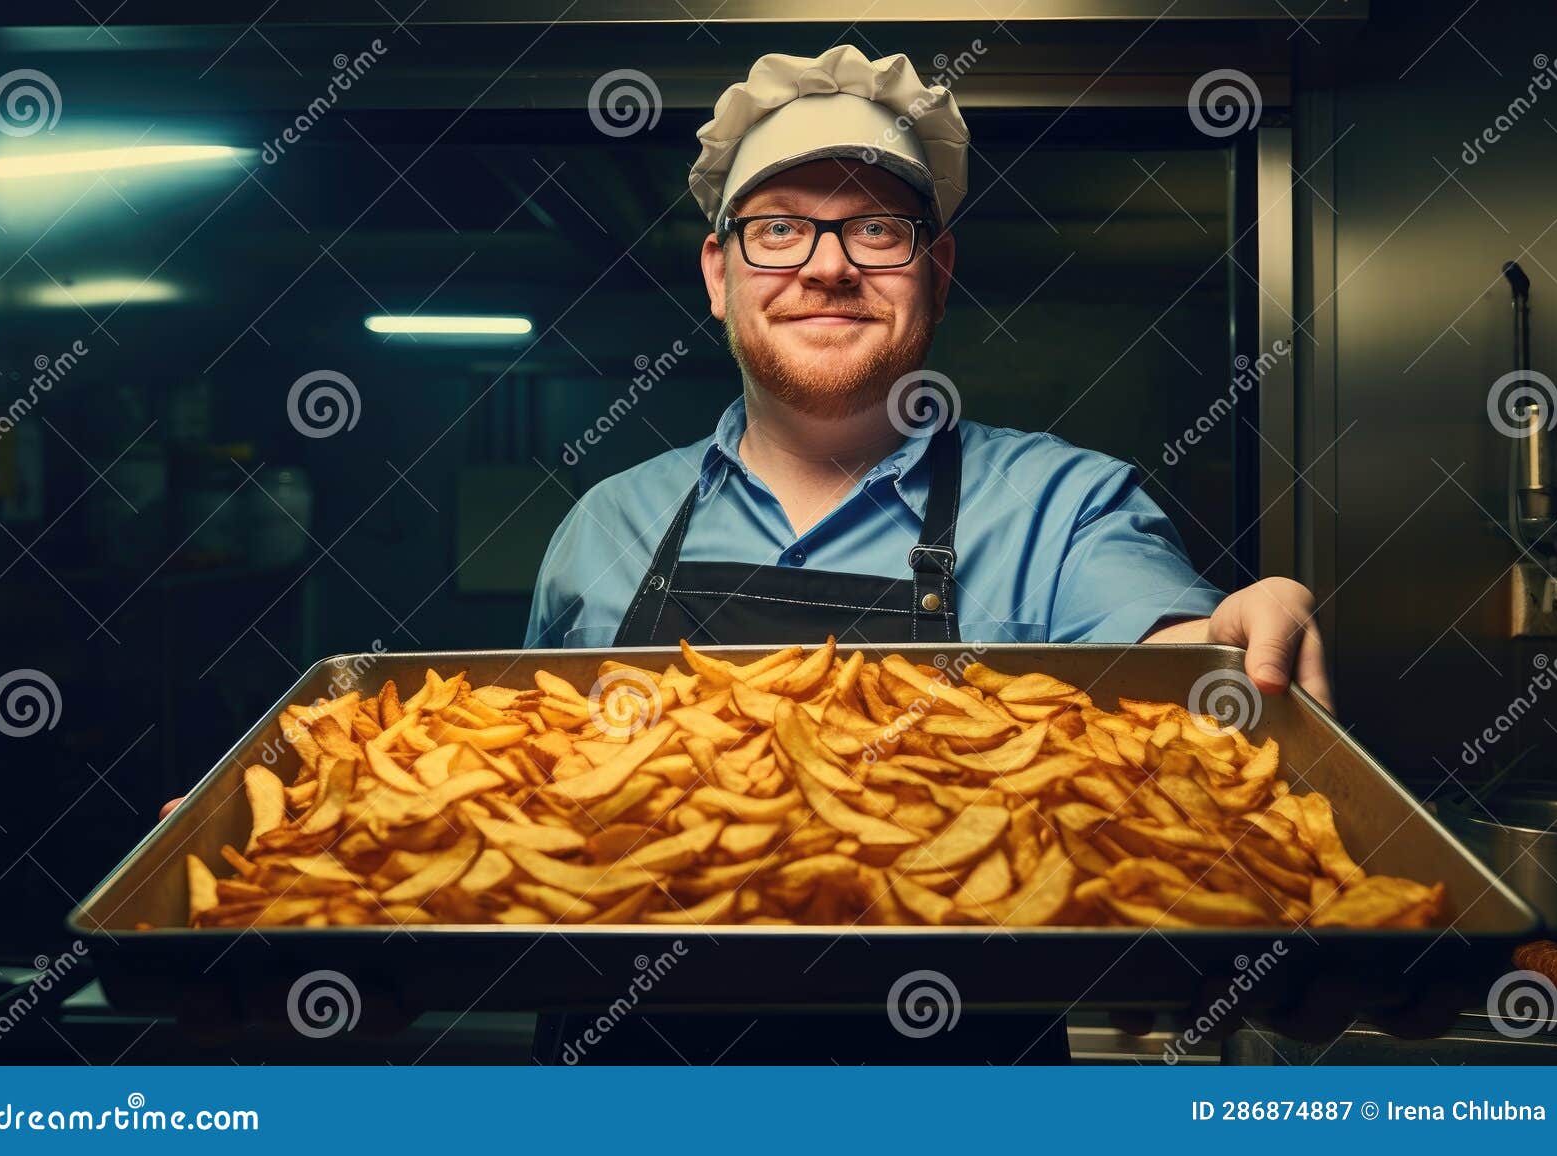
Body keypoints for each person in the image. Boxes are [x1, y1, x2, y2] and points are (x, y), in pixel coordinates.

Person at [523, 45, 1330, 1065]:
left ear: (934, 272)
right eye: (777, 229)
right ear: (720, 276)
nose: (826, 265)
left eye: (875, 229)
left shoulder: (1064, 505)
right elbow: (536, 798)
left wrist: (1226, 638)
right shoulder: (604, 522)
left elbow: (1169, 656)